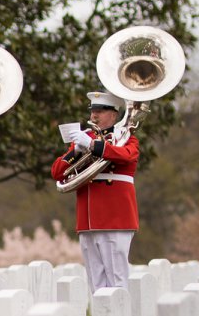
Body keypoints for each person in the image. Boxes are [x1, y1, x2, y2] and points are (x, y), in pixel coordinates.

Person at [54, 91, 140, 293]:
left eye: (100, 111)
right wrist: (75, 151)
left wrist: (93, 145)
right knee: (96, 284)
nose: (94, 116)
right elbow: (57, 172)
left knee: (117, 280)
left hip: (115, 217)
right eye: (92, 111)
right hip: (87, 219)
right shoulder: (84, 140)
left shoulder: (124, 138)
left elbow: (126, 156)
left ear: (114, 114)